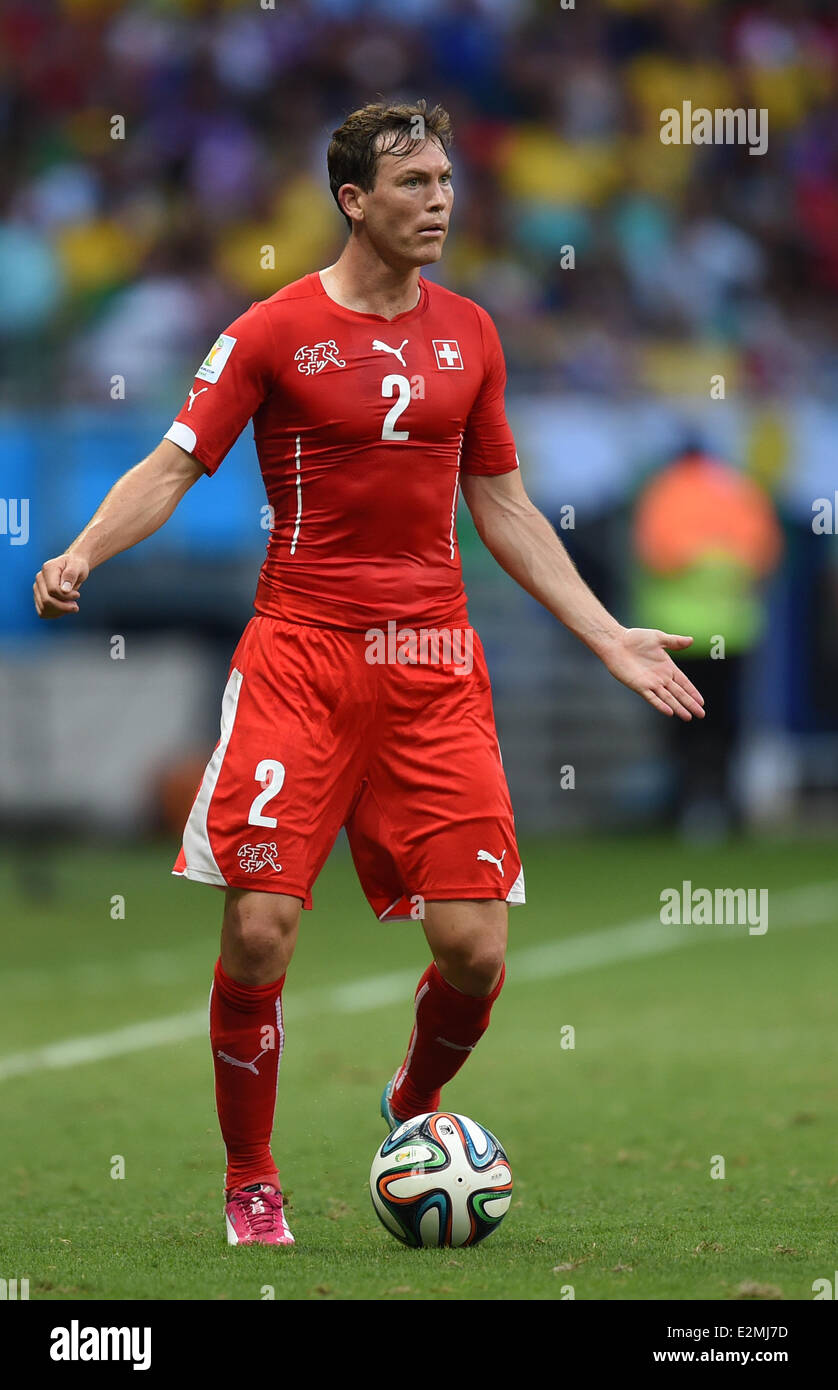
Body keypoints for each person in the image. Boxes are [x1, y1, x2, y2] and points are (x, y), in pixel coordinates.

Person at [33, 101, 704, 1247]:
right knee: (258, 929)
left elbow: (500, 503)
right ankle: (252, 1176)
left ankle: (410, 1106)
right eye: (414, 183)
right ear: (355, 200)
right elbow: (174, 460)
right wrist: (85, 549)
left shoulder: (473, 335)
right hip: (301, 655)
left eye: (446, 179)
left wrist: (604, 632)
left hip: (433, 664)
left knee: (474, 947)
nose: (439, 200)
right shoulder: (270, 333)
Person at [632, 441, 782, 837]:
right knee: (728, 726)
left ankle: (682, 809)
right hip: (732, 630)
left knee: (679, 728)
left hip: (674, 632)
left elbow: (653, 553)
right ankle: (729, 809)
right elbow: (766, 554)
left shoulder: (664, 491)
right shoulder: (740, 489)